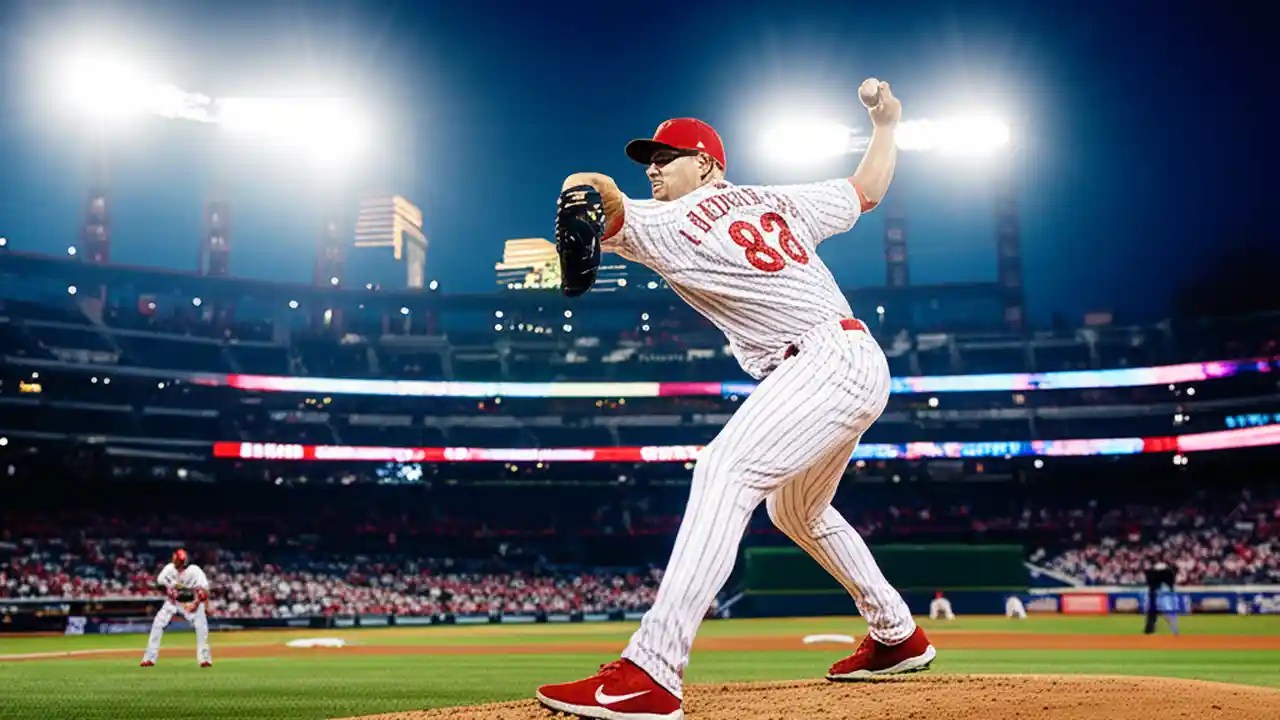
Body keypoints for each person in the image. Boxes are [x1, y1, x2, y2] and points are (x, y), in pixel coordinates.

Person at [536, 79, 934, 720]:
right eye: (650, 160)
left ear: (710, 166)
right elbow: (867, 189)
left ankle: (651, 671)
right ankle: (897, 633)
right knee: (797, 513)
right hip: (846, 361)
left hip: (823, 360)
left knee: (723, 471)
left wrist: (581, 192)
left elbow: (599, 194)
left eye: (668, 157)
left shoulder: (664, 219)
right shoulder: (779, 201)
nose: (655, 168)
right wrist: (887, 125)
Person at [140, 548, 212, 667]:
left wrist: (198, 604)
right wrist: (169, 590)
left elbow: (204, 590)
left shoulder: (194, 570)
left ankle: (204, 659)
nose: (174, 560)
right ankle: (149, 658)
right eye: (174, 558)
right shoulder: (169, 569)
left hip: (191, 601)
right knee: (157, 624)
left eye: (177, 559)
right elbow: (160, 584)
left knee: (202, 628)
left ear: (182, 561)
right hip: (173, 602)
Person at [1144, 559, 1178, 635]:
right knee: (1159, 615)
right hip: (1158, 597)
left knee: (1161, 614)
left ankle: (1151, 630)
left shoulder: (1157, 575)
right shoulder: (1166, 575)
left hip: (1159, 598)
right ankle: (1151, 630)